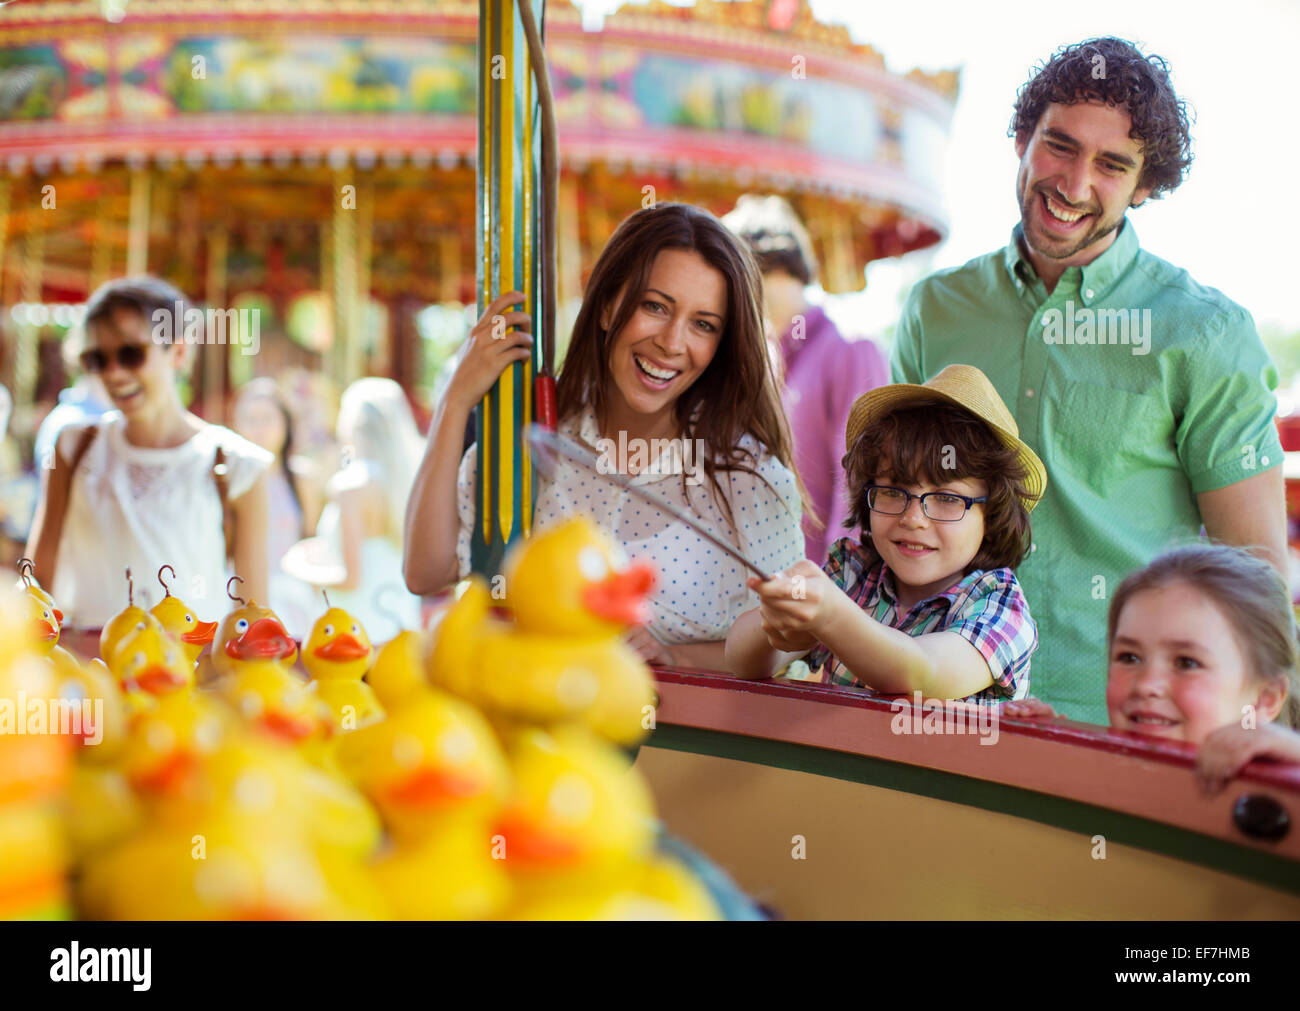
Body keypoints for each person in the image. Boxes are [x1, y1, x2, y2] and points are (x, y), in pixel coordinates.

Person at [891, 37, 1286, 723]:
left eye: (1112, 165)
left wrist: (1261, 743)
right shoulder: (935, 308)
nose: (1074, 185)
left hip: (1114, 725)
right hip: (937, 705)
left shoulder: (1206, 333)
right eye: (1060, 146)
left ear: (1147, 185)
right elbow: (884, 498)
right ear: (1022, 138)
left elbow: (1255, 574)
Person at [404, 202, 804, 672]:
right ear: (610, 305)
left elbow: (792, 637)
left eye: (703, 325)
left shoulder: (746, 474)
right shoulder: (536, 442)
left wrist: (676, 656)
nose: (672, 343)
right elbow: (425, 572)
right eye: (655, 306)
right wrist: (454, 401)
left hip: (690, 744)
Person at [726, 364, 1043, 703]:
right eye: (893, 491)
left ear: (992, 518)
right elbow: (742, 664)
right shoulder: (853, 572)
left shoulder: (1000, 606)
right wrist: (778, 624)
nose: (914, 518)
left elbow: (921, 674)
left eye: (947, 499)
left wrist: (832, 617)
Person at [25, 276, 272, 629]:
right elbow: (38, 578)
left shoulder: (237, 463)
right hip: (91, 671)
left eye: (131, 354)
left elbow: (253, 611)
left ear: (179, 351)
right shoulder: (72, 447)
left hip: (188, 675)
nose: (114, 372)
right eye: (97, 359)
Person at [1002, 544, 1300, 793]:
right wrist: (1048, 749)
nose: (1146, 684)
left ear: (1265, 698)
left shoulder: (1276, 798)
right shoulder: (1107, 779)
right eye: (1129, 657)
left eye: (1186, 663)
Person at [723, 194, 888, 564]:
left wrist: (834, 592)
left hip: (824, 592)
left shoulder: (849, 348)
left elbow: (861, 486)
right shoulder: (766, 358)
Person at [283, 377, 423, 642]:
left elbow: (350, 579)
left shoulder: (351, 486)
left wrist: (298, 566)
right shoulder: (407, 484)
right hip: (401, 622)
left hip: (357, 629)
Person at [233, 377, 319, 639]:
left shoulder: (302, 479)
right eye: (251, 419)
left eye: (268, 419)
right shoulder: (229, 480)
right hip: (242, 599)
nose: (260, 428)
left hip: (294, 605)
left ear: (285, 423)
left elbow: (311, 543)